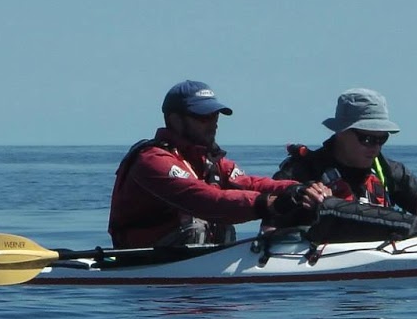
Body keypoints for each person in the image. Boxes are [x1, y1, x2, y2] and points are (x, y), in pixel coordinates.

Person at [108, 81, 330, 248]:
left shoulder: (208, 159)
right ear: (175, 120)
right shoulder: (152, 161)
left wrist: (297, 189)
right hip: (149, 271)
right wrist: (269, 204)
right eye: (204, 117)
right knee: (199, 220)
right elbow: (204, 200)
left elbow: (249, 183)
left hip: (199, 273)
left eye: (216, 116)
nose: (214, 123)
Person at [275, 88, 417, 236]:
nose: (375, 146)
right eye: (366, 138)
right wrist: (300, 196)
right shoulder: (302, 170)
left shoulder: (386, 170)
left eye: (381, 138)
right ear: (341, 133)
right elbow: (271, 211)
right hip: (320, 284)